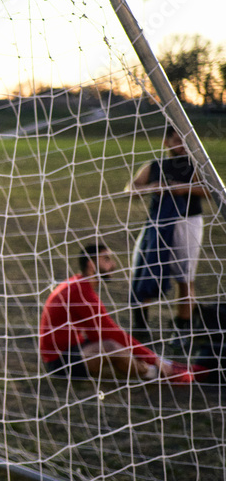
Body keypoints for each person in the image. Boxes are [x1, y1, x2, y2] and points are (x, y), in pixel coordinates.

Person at [40, 242, 193, 383]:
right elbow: (109, 333)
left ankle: (166, 366)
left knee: (117, 344)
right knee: (111, 347)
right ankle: (158, 373)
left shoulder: (79, 285)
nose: (113, 265)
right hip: (59, 362)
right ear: (91, 264)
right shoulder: (79, 291)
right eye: (106, 259)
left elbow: (99, 333)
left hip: (73, 347)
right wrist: (154, 359)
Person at [127, 125, 209, 343]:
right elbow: (130, 188)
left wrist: (182, 189)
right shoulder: (154, 166)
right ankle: (141, 328)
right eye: (176, 140)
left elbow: (211, 190)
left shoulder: (194, 166)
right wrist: (151, 188)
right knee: (141, 268)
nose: (181, 145)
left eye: (184, 141)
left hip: (187, 221)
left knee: (184, 276)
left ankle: (182, 329)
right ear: (166, 142)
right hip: (156, 223)